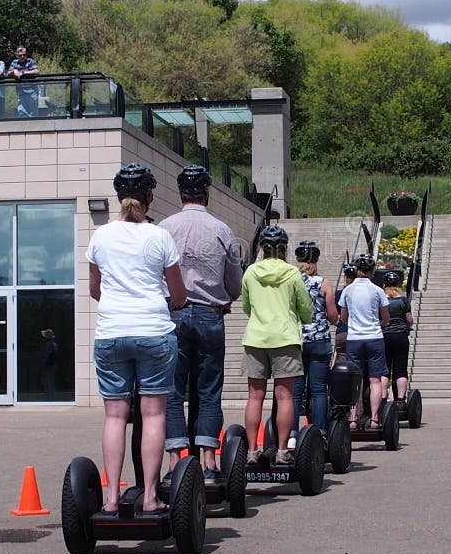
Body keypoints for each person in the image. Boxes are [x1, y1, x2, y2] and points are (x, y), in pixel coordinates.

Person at [85, 163, 187, 515]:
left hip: (111, 333)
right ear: (149, 196)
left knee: (114, 416)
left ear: (118, 197)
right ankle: (149, 497)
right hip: (153, 332)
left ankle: (111, 498)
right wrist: (169, 302)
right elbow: (178, 293)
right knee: (154, 413)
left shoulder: (100, 236)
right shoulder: (159, 236)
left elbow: (95, 289)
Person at [161, 165, 243, 485]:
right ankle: (208, 463)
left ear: (181, 193)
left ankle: (174, 462)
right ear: (207, 193)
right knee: (208, 390)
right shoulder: (222, 230)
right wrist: (223, 295)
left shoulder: (165, 228)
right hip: (210, 314)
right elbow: (234, 283)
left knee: (172, 390)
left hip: (175, 313)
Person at [242, 225, 312, 465]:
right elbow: (306, 309)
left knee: (254, 397)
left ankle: (252, 450)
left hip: (256, 338)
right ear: (284, 248)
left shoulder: (251, 272)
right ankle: (282, 450)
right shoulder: (292, 273)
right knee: (285, 397)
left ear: (262, 248)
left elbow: (246, 307)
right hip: (285, 338)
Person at [289, 239, 338, 448]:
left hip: (296, 340)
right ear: (316, 260)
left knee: (295, 391)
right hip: (319, 340)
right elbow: (333, 316)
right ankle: (320, 433)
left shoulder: (290, 280)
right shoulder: (324, 283)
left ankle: (291, 435)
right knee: (319, 389)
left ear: (298, 259)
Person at [338, 253, 389, 430]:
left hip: (355, 339)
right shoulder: (378, 290)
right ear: (372, 271)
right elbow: (385, 317)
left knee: (355, 380)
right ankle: (375, 419)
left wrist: (353, 324)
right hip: (374, 337)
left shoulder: (348, 290)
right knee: (375, 380)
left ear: (357, 270)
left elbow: (343, 317)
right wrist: (377, 324)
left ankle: (353, 418)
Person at [380, 270, 414, 410]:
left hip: (385, 336)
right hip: (400, 336)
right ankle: (400, 400)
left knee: (384, 370)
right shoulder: (403, 300)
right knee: (400, 369)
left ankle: (382, 398)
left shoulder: (382, 300)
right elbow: (410, 320)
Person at [7, 46, 39, 118]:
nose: (22, 56)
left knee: (33, 113)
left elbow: (36, 71)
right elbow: (8, 73)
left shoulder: (30, 61)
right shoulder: (14, 62)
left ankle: (34, 128)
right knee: (21, 112)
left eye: (24, 55)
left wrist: (23, 73)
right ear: (17, 55)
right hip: (20, 91)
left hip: (32, 91)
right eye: (20, 55)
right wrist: (14, 71)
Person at [334, 262, 357, 361]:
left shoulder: (338, 294)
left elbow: (333, 315)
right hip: (358, 332)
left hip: (342, 331)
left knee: (341, 362)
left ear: (345, 277)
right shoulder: (361, 293)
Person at [40, 328, 59, 401]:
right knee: (51, 381)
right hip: (53, 365)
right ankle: (51, 397)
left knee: (48, 382)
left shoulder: (48, 345)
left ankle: (50, 398)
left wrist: (43, 364)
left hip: (48, 366)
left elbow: (46, 356)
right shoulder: (54, 344)